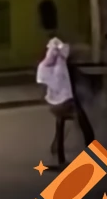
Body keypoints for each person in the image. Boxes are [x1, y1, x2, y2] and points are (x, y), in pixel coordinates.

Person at [36, 37, 94, 167]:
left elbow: (44, 86)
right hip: (69, 101)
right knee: (84, 126)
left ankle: (59, 155)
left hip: (59, 102)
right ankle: (89, 153)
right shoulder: (62, 65)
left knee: (61, 126)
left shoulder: (48, 66)